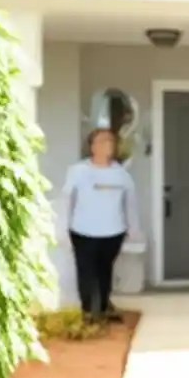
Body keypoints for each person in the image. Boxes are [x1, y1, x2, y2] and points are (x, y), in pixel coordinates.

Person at [60, 127, 142, 321]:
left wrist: (134, 229)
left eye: (111, 141)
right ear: (93, 147)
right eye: (104, 141)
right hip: (83, 231)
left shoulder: (121, 174)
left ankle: (104, 307)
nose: (109, 144)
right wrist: (62, 228)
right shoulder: (78, 171)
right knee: (86, 271)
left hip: (114, 232)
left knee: (105, 271)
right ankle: (88, 311)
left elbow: (130, 204)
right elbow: (67, 201)